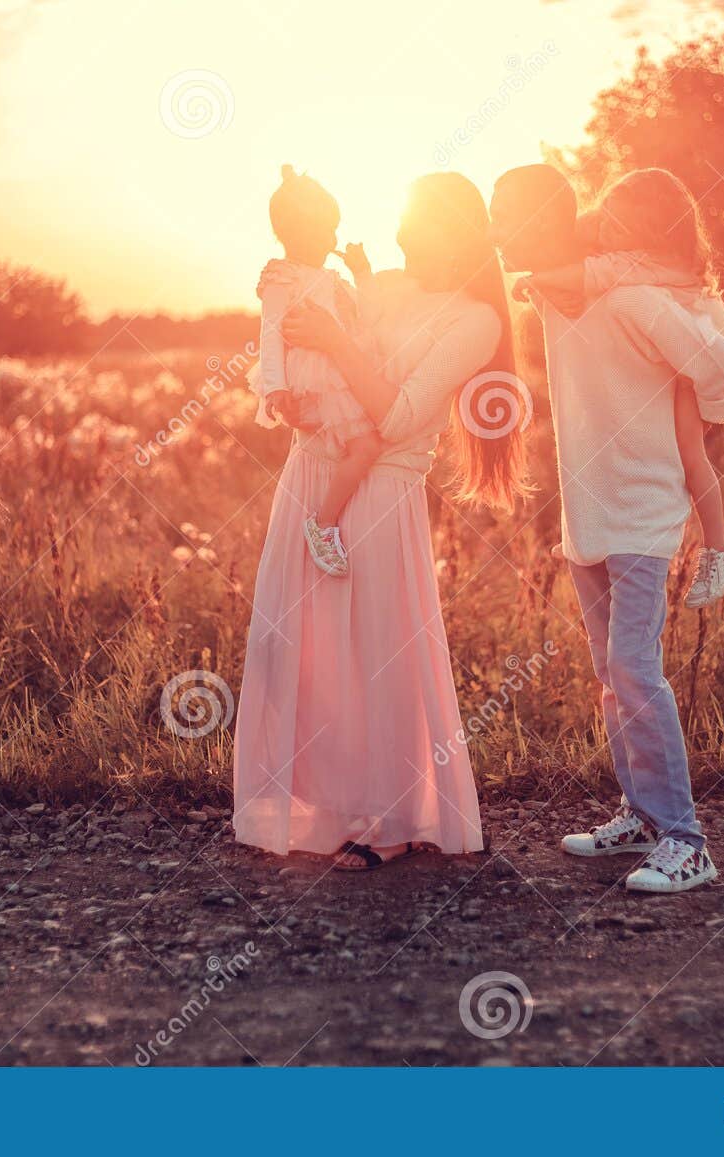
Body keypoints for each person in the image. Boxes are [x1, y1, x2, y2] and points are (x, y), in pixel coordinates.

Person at [233, 172, 529, 871]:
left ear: (453, 239)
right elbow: (316, 339)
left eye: (415, 236)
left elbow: (397, 416)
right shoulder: (391, 284)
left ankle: (394, 819)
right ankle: (327, 802)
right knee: (303, 647)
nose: (401, 247)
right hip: (314, 468)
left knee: (375, 648)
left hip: (379, 489)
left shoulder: (475, 322)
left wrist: (334, 341)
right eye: (401, 234)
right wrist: (292, 391)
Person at [490, 164, 724, 894]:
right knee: (611, 675)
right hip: (588, 511)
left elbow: (722, 359)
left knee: (635, 669)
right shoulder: (555, 288)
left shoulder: (633, 297)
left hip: (641, 507)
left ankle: (687, 839)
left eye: (512, 215)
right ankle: (638, 812)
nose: (502, 231)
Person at [517, 168, 724, 607]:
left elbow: (595, 273)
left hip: (690, 359)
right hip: (668, 355)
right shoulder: (606, 238)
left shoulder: (645, 264)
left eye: (618, 226)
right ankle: (592, 532)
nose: (604, 229)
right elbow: (574, 257)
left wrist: (539, 281)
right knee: (673, 454)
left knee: (690, 456)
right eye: (605, 217)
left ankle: (718, 551)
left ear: (647, 233)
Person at [250, 166, 381, 577]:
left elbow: (366, 318)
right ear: (298, 231)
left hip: (339, 373)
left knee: (358, 447)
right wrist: (275, 387)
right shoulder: (281, 277)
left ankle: (331, 521)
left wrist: (362, 273)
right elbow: (269, 335)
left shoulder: (332, 278)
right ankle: (322, 525)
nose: (334, 240)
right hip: (315, 379)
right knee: (365, 446)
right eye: (327, 230)